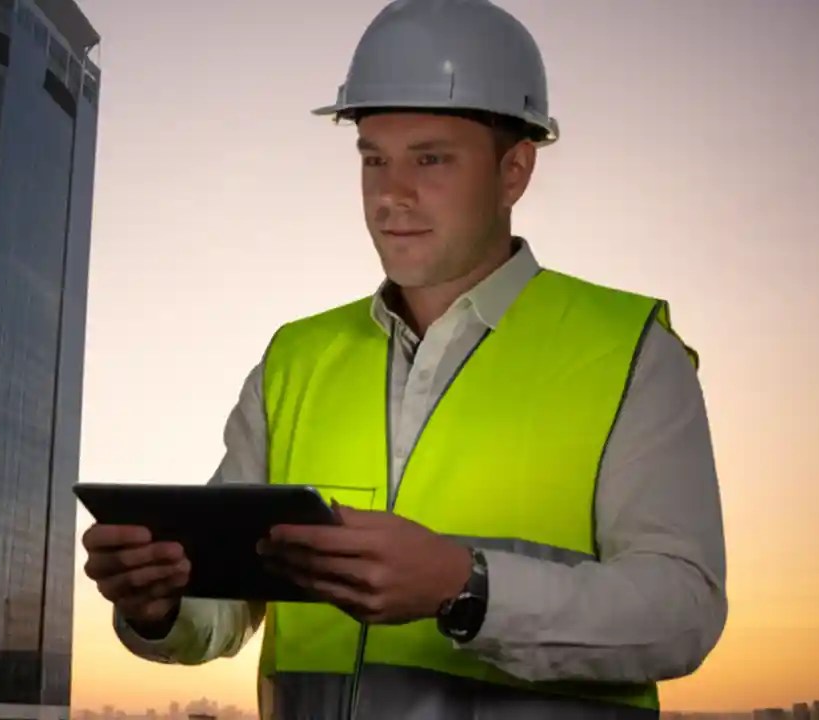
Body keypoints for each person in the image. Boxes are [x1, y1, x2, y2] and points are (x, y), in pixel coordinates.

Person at [81, 0, 727, 717]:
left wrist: (466, 586)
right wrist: (159, 606)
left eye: (431, 158)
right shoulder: (296, 358)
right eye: (374, 159)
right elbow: (222, 610)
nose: (392, 194)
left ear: (514, 172)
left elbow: (682, 612)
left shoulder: (630, 350)